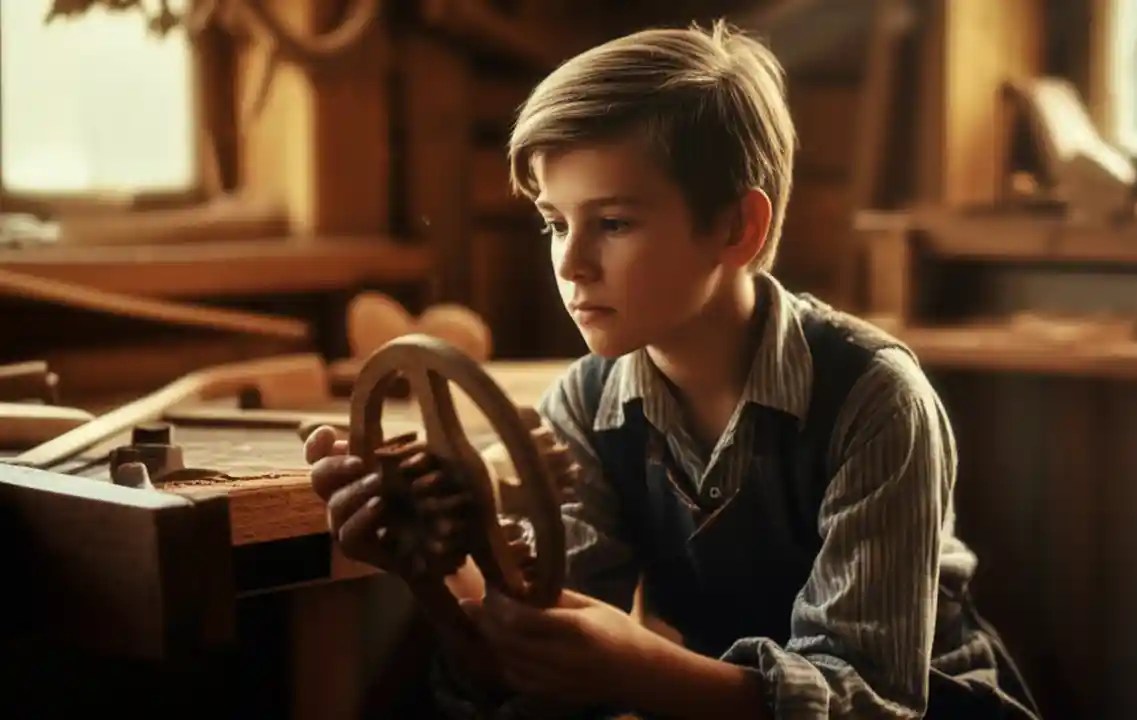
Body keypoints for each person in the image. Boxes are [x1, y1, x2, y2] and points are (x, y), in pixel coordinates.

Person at [308, 19, 1040, 720]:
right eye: (554, 223)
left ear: (736, 228)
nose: (570, 263)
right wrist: (426, 561)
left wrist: (638, 667)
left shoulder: (875, 401)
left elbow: (867, 701)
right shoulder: (587, 405)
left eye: (614, 223)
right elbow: (551, 657)